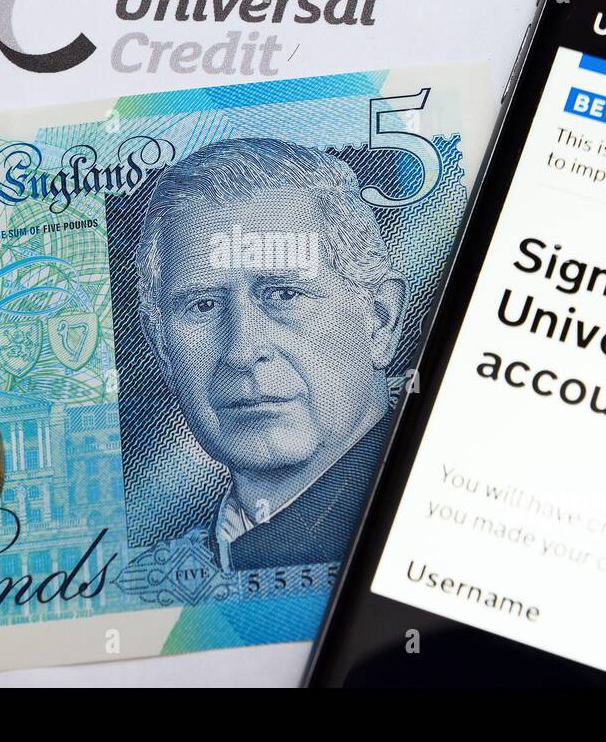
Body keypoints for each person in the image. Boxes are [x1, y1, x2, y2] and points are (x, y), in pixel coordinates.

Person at [136, 137, 405, 570]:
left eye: (284, 293)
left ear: (380, 320)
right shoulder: (158, 571)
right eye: (203, 305)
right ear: (161, 346)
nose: (242, 349)